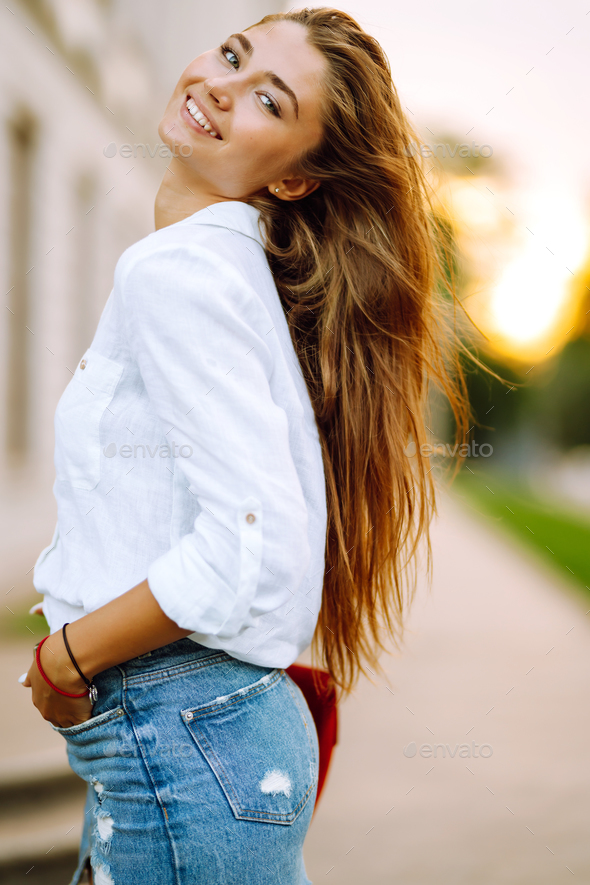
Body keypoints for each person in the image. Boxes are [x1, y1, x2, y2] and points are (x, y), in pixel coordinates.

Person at [22, 7, 470, 884]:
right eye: (232, 54)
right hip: (203, 744)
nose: (220, 86)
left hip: (178, 741)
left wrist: (61, 659)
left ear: (298, 178)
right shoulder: (227, 272)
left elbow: (244, 547)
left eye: (267, 98)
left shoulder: (180, 274)